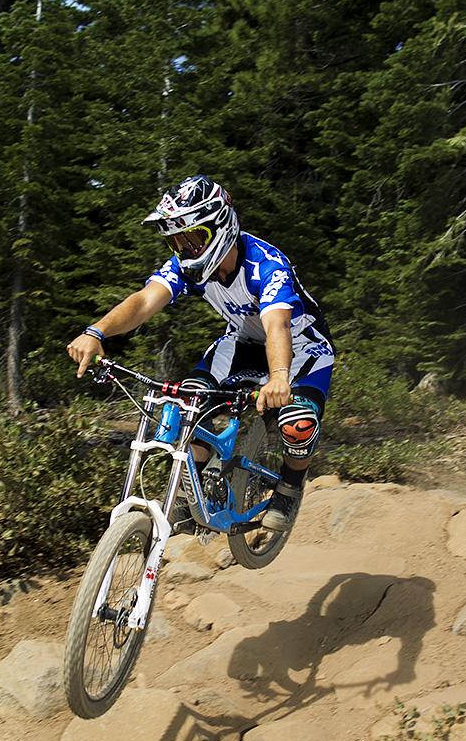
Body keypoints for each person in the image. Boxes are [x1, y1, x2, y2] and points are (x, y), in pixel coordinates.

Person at [66, 174, 334, 534]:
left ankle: (289, 487)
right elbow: (145, 301)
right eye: (177, 240)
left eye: (193, 237)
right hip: (241, 341)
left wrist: (279, 377)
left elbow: (277, 327)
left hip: (301, 348)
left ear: (221, 226)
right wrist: (95, 331)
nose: (185, 248)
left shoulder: (266, 264)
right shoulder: (187, 268)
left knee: (298, 423)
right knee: (190, 400)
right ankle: (188, 494)